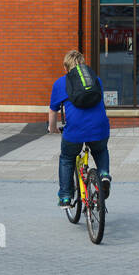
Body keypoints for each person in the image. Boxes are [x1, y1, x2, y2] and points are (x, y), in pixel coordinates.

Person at [49, 49, 112, 206]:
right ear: (83, 64)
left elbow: (53, 110)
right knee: (100, 149)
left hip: (75, 130)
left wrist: (52, 128)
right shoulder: (96, 80)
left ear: (65, 68)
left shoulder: (60, 83)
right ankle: (104, 175)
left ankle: (65, 196)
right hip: (100, 127)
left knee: (67, 158)